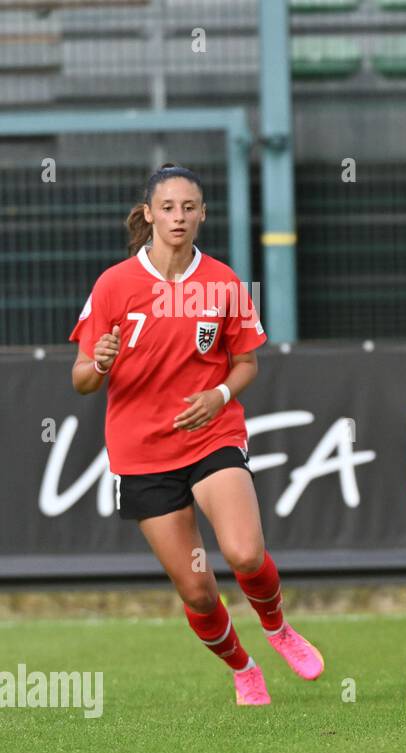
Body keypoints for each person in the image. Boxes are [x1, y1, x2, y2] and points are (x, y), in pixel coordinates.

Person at [69, 164, 325, 706]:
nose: (179, 217)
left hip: (212, 436)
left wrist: (220, 396)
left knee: (245, 553)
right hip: (142, 453)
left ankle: (278, 629)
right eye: (168, 207)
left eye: (189, 207)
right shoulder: (114, 285)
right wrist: (101, 361)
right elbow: (82, 380)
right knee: (197, 588)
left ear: (203, 214)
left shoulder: (224, 282)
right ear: (149, 214)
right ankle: (243, 666)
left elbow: (247, 363)